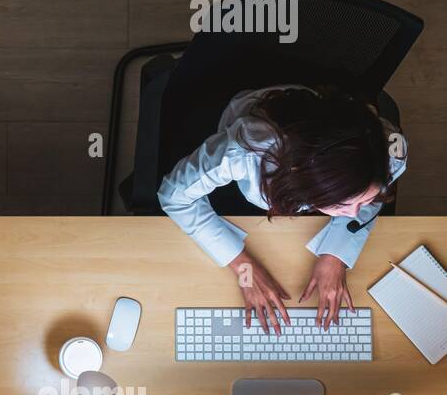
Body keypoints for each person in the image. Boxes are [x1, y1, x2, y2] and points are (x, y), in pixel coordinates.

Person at [159, 84, 406, 333]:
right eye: (340, 204)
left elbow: (371, 198)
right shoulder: (244, 153)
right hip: (247, 114)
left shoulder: (389, 150)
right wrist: (244, 268)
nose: (354, 215)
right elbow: (174, 196)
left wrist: (336, 254)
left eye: (363, 202)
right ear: (302, 180)